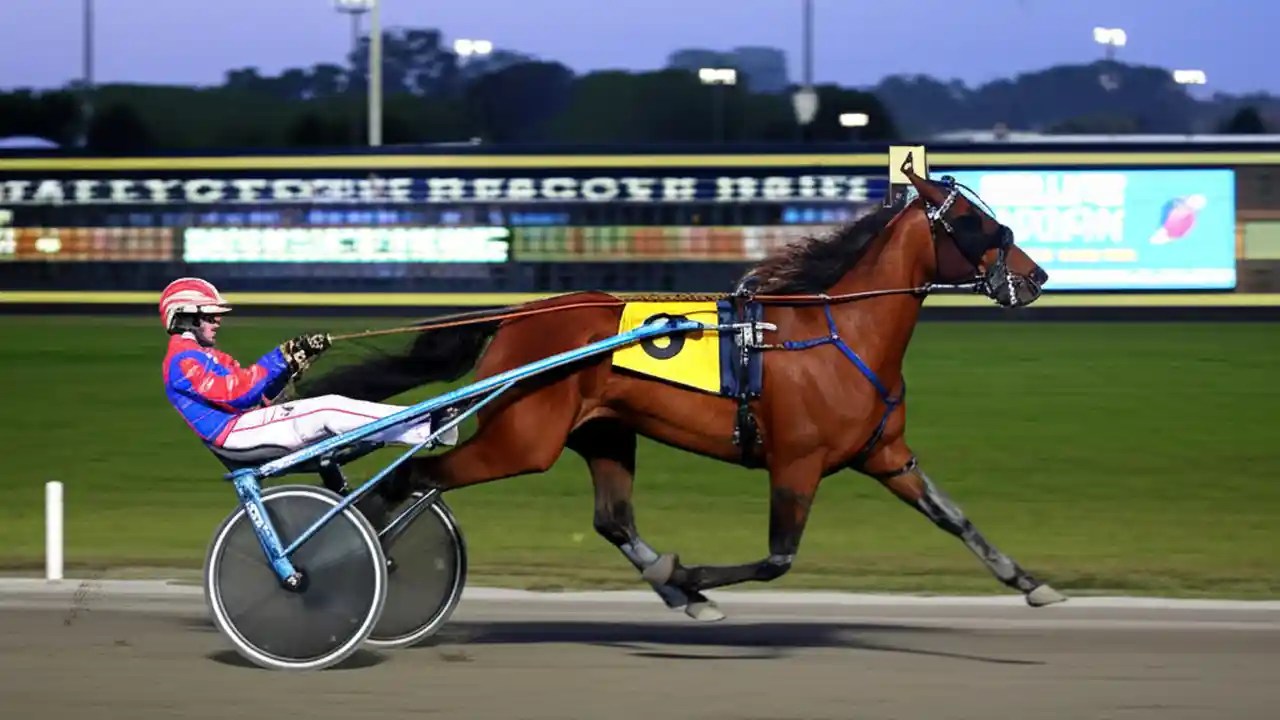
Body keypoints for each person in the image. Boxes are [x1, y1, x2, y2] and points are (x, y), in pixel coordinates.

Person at [159, 277, 457, 459]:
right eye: (210, 316)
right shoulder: (183, 361)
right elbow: (238, 395)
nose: (217, 320)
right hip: (234, 434)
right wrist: (281, 356)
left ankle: (423, 426)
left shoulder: (206, 356)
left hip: (246, 425)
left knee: (329, 409)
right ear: (186, 317)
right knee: (328, 410)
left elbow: (259, 396)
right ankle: (426, 425)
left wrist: (290, 367)